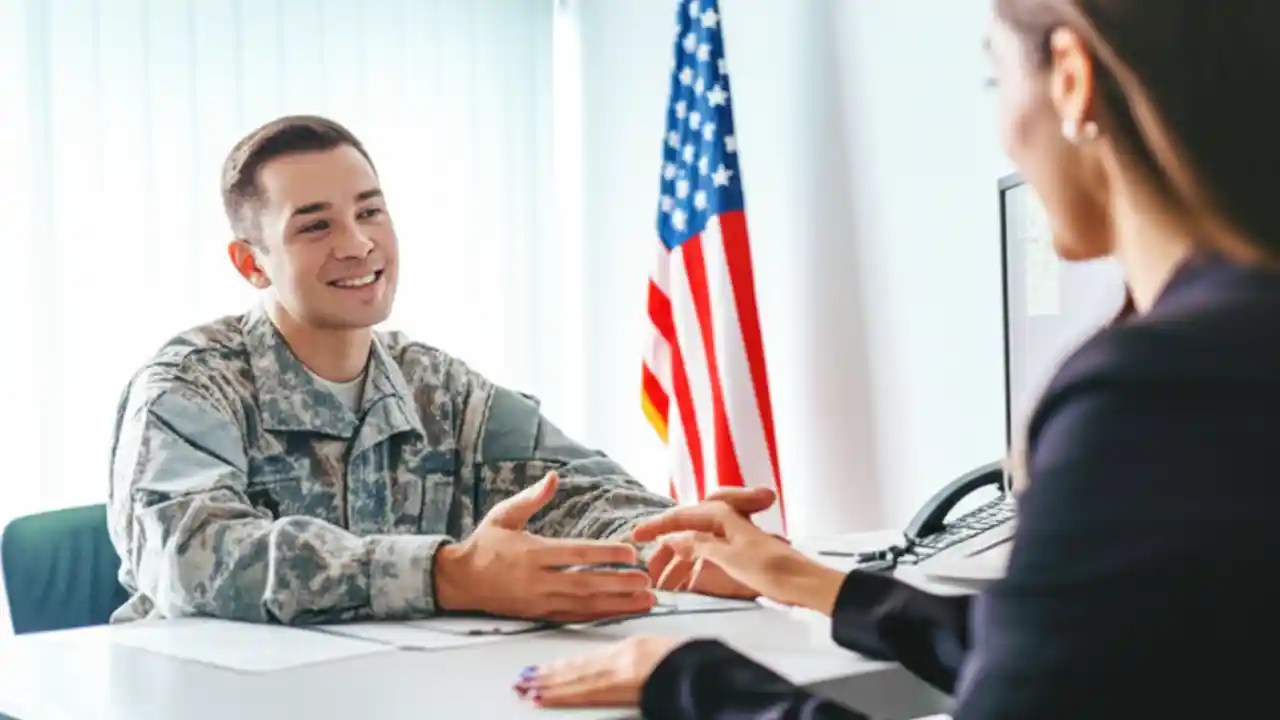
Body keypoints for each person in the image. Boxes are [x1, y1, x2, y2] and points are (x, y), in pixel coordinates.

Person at [515, 0, 1280, 716]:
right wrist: (805, 580)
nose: (1003, 130)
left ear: (1073, 80)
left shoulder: (1149, 395)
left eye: (995, 78)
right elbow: (1091, 648)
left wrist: (688, 679)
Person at [108, 115, 688, 625]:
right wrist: (444, 574)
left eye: (370, 212)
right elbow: (192, 554)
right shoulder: (190, 387)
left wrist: (686, 538)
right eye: (315, 226)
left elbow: (577, 493)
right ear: (251, 263)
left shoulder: (439, 387)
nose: (358, 244)